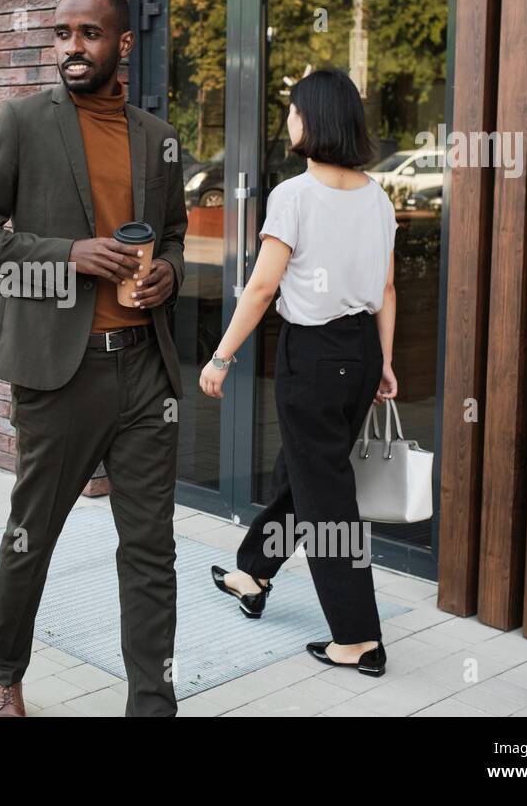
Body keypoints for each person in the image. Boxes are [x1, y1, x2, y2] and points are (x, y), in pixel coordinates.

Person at [0, 0, 188, 716]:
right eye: (61, 34)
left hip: (146, 371)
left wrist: (170, 275)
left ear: (122, 44)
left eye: (88, 34)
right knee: (33, 535)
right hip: (59, 373)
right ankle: (4, 673)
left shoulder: (157, 137)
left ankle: (153, 702)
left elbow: (174, 230)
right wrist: (68, 254)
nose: (71, 48)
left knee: (151, 548)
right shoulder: (24, 121)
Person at [200, 69, 397, 677]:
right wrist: (384, 361)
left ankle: (358, 637)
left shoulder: (295, 195)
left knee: (326, 498)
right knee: (308, 471)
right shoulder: (379, 196)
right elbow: (387, 287)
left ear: (313, 120)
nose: (288, 120)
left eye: (292, 111)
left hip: (312, 356)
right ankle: (253, 572)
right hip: (360, 350)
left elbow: (262, 288)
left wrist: (221, 355)